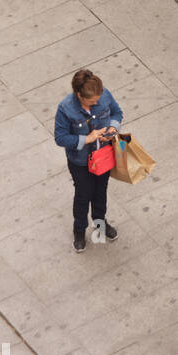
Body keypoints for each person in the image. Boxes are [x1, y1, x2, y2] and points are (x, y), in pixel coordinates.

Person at [54, 67, 122, 252]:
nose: (97, 102)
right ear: (79, 95)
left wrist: (112, 129)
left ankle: (100, 223)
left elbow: (117, 113)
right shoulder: (66, 108)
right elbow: (60, 138)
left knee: (101, 191)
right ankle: (79, 230)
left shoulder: (103, 94)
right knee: (83, 195)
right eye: (92, 101)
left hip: (103, 156)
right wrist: (87, 139)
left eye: (98, 99)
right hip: (80, 161)